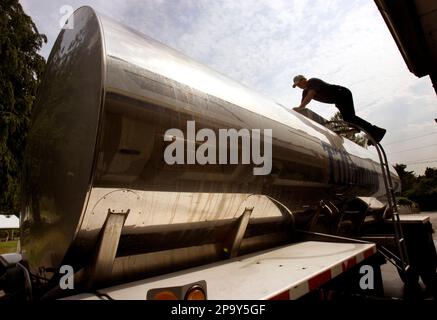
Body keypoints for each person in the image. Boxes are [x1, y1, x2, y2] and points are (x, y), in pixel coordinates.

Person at [292, 75, 386, 144]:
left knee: (350, 117)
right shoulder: (305, 92)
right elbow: (302, 105)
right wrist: (298, 110)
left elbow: (309, 96)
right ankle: (368, 130)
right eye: (297, 86)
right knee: (348, 119)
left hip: (342, 93)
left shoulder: (312, 82)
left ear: (303, 79)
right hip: (338, 100)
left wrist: (300, 107)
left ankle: (376, 131)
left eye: (298, 84)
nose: (299, 87)